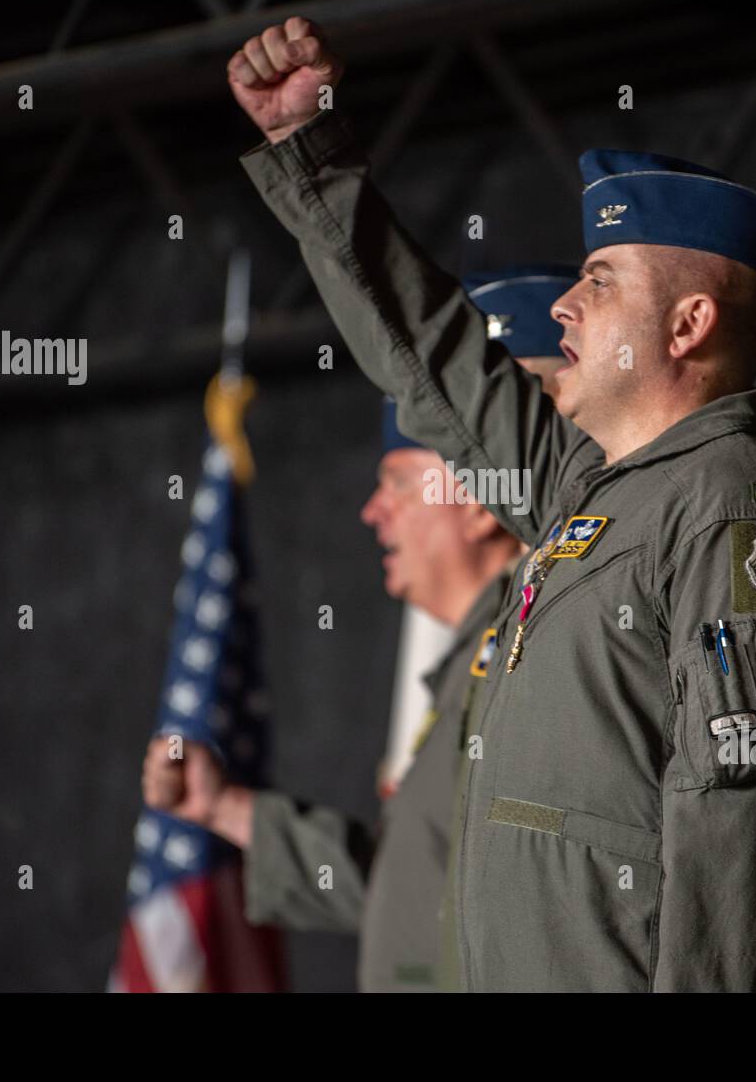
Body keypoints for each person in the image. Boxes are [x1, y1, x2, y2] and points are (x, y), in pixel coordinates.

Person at [226, 17, 756, 992]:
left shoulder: (733, 505)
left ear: (687, 323)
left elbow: (746, 810)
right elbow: (431, 357)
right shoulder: (579, 488)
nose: (564, 304)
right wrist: (308, 152)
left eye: (598, 282)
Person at [143, 265, 576, 992]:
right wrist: (224, 808)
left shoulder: (547, 651)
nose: (373, 513)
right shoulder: (483, 654)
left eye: (398, 484)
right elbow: (425, 888)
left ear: (476, 497)